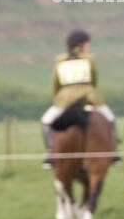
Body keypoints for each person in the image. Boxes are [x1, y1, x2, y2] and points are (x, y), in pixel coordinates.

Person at [41, 29, 119, 168]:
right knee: (110, 118)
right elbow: (94, 79)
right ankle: (114, 153)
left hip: (65, 100)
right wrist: (91, 93)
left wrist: (59, 98)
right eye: (86, 43)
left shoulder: (60, 61)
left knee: (46, 121)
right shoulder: (89, 59)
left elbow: (55, 84)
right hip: (88, 97)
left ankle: (50, 153)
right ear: (80, 45)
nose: (88, 46)